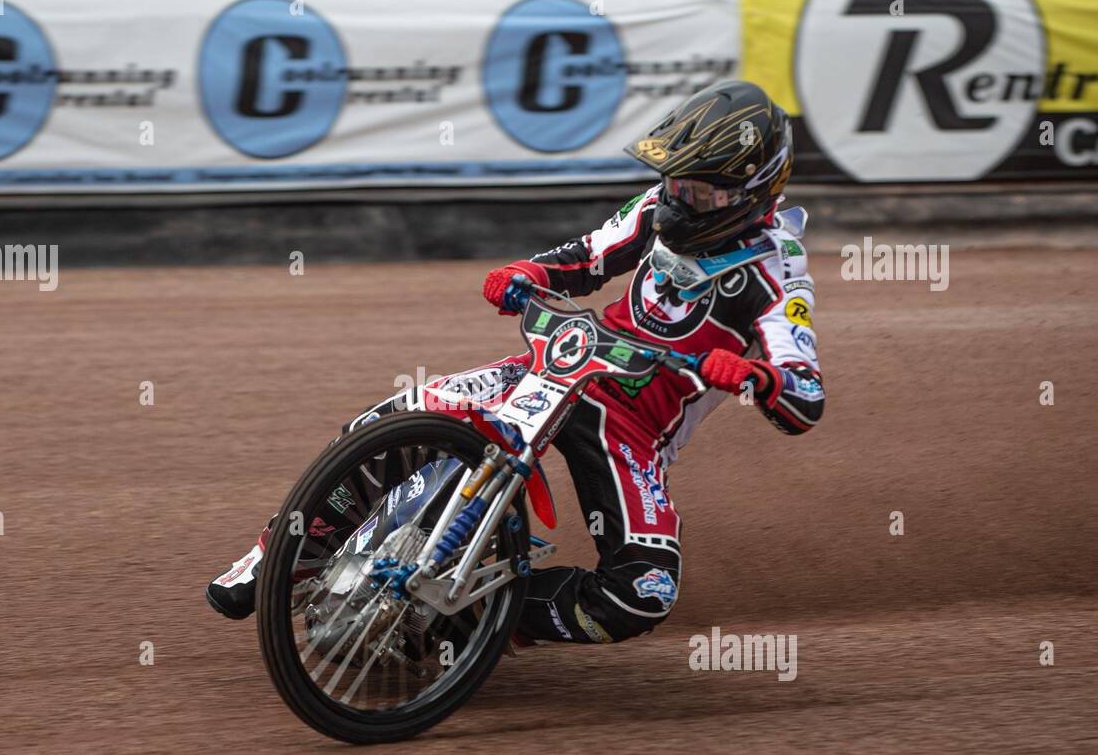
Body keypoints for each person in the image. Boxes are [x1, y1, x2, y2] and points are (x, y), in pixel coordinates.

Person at [206, 79, 824, 644]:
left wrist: (753, 376)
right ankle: (277, 554)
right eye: (675, 182)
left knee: (642, 595)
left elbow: (804, 398)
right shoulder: (661, 207)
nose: (677, 202)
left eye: (696, 190)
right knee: (395, 417)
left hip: (633, 431)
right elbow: (587, 257)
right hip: (564, 364)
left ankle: (472, 620)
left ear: (750, 192)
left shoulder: (780, 273)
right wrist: (528, 270)